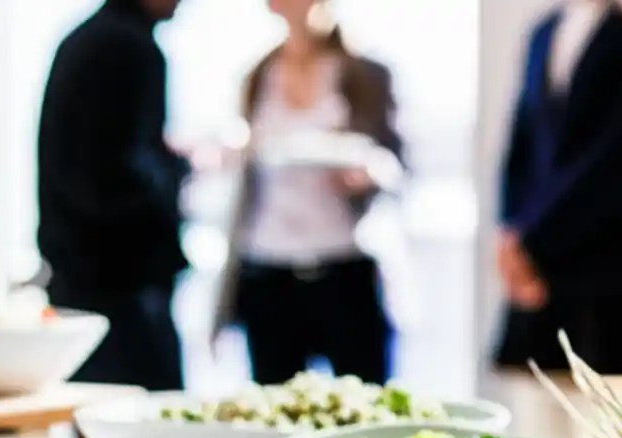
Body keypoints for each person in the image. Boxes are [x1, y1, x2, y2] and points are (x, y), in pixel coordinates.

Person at [213, 0, 402, 386]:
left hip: (344, 264)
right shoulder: (258, 74)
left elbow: (396, 162)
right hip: (268, 268)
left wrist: (365, 173)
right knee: (275, 411)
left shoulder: (364, 74)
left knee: (366, 404)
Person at [37, 0, 190, 391]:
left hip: (80, 279)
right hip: (121, 285)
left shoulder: (85, 39)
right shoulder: (130, 48)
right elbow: (118, 175)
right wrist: (178, 171)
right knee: (152, 430)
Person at [494, 0, 622, 372]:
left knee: (601, 409)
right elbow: (522, 142)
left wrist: (531, 240)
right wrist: (508, 232)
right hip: (534, 258)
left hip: (602, 258)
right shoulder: (544, 31)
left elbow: (610, 159)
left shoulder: (620, 33)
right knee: (536, 398)